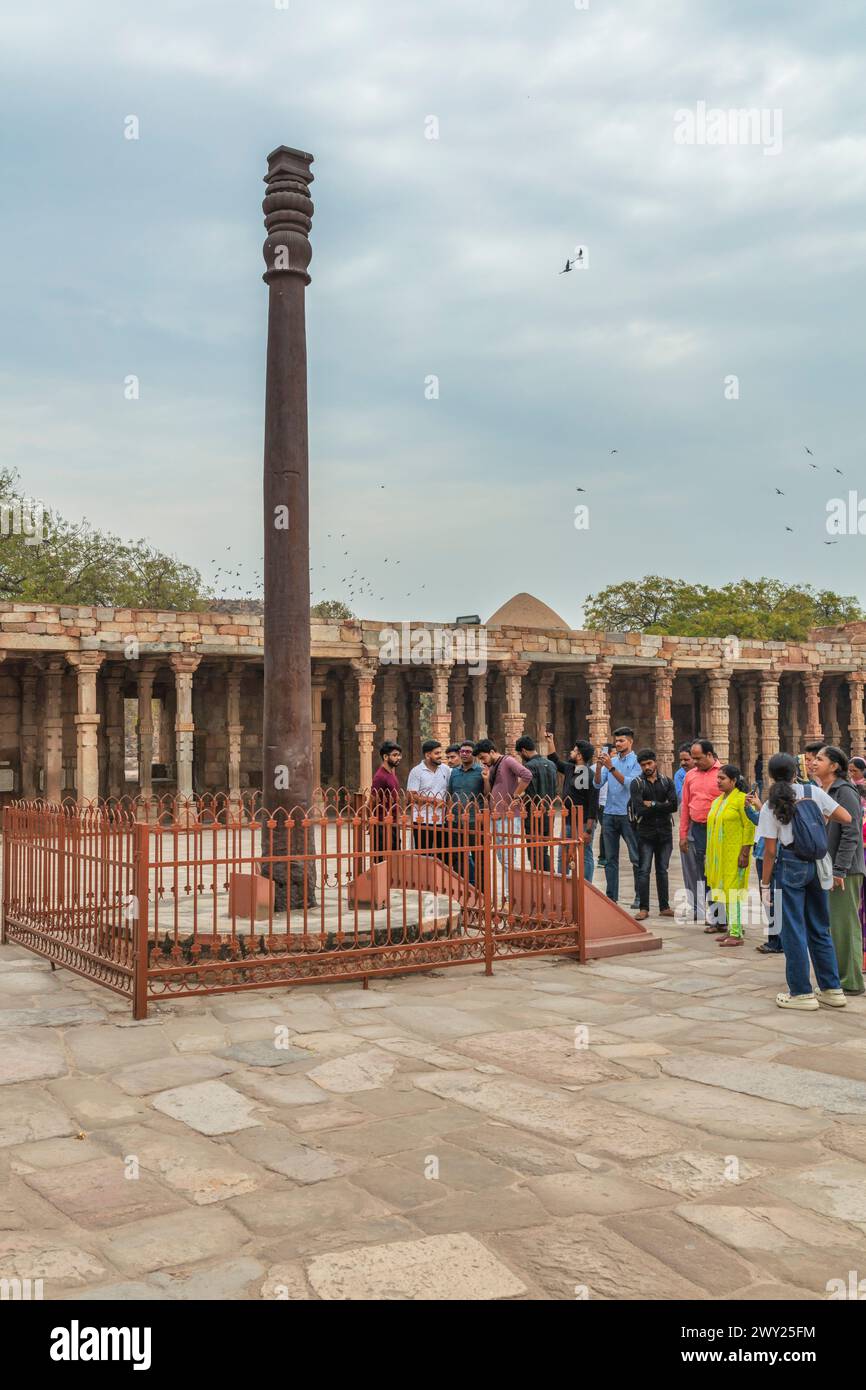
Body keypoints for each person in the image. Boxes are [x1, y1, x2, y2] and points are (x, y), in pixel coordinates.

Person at [757, 752, 851, 1010]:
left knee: (793, 930)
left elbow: (770, 852)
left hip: (790, 865)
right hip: (816, 864)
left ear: (771, 775)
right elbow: (846, 817)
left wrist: (765, 884)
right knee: (820, 927)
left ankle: (801, 992)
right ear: (796, 771)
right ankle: (832, 989)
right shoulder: (813, 792)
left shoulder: (771, 805)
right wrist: (818, 823)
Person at [813, 745, 865, 996]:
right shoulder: (826, 790)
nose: (814, 763)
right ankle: (837, 977)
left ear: (834, 766)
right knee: (833, 925)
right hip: (829, 867)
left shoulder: (844, 791)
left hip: (845, 869)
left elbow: (852, 832)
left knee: (844, 926)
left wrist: (839, 870)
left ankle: (851, 981)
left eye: (820, 760)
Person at [474, 738, 532, 900]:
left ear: (492, 751)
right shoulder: (493, 766)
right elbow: (488, 793)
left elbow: (526, 775)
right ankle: (510, 892)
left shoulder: (508, 761)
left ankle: (510, 894)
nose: (482, 761)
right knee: (502, 857)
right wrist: (486, 779)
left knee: (508, 858)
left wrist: (516, 795)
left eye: (483, 757)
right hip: (497, 815)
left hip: (509, 816)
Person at [705, 764, 755, 946]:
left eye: (722, 778)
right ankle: (732, 928)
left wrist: (745, 851)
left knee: (734, 892)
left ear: (733, 781)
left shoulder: (742, 800)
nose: (718, 781)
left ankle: (736, 934)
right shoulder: (718, 801)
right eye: (717, 778)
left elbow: (750, 825)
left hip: (735, 854)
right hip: (719, 855)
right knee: (724, 890)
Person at [594, 727, 641, 906]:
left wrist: (611, 767)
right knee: (610, 858)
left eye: (621, 741)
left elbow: (630, 784)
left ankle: (639, 896)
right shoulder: (610, 761)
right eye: (616, 741)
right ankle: (611, 895)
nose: (618, 743)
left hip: (627, 815)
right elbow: (598, 784)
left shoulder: (636, 762)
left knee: (635, 857)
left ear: (630, 742)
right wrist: (599, 767)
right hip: (609, 813)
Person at [629, 748, 677, 920]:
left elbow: (673, 806)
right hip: (645, 834)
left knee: (662, 870)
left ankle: (664, 906)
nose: (647, 767)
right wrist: (660, 806)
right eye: (643, 765)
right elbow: (640, 809)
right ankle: (644, 908)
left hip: (664, 833)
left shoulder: (666, 782)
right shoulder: (637, 783)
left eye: (649, 763)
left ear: (655, 762)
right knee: (644, 871)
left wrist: (654, 804)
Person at [546, 733, 598, 880]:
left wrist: (588, 829)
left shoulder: (590, 776)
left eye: (574, 751)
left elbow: (593, 805)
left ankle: (586, 886)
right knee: (562, 853)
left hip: (582, 822)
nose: (571, 752)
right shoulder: (570, 769)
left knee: (585, 854)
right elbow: (554, 760)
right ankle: (562, 883)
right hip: (567, 820)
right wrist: (550, 741)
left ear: (580, 755)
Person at [680, 739, 722, 922]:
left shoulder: (724, 774)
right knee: (705, 874)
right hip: (698, 830)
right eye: (693, 758)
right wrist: (683, 835)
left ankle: (724, 917)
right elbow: (685, 807)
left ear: (710, 755)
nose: (694, 762)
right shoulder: (690, 775)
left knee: (720, 873)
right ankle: (714, 917)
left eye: (698, 758)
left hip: (720, 830)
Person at [516, 735, 558, 871]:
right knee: (544, 851)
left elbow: (524, 792)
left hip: (533, 815)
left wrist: (516, 796)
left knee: (534, 852)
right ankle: (548, 879)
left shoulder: (528, 767)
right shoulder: (551, 765)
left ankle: (541, 881)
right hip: (549, 813)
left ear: (523, 751)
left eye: (520, 754)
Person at [448, 740, 485, 885]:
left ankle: (481, 890)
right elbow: (451, 794)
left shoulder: (480, 772)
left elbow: (486, 794)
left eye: (468, 752)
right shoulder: (454, 773)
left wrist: (487, 780)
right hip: (457, 821)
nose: (464, 754)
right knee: (458, 857)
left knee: (479, 857)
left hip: (474, 821)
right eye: (462, 751)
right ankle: (463, 888)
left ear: (474, 754)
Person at [406, 739, 451, 857]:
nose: (440, 756)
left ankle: (439, 876)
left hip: (441, 820)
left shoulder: (445, 769)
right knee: (423, 856)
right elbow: (411, 796)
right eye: (436, 753)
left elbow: (450, 792)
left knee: (442, 856)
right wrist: (433, 801)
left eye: (440, 753)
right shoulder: (416, 771)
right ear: (427, 755)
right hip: (422, 820)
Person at [369, 740, 402, 860]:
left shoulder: (390, 773)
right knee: (383, 858)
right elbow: (372, 799)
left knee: (394, 856)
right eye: (395, 755)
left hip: (392, 821)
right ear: (385, 757)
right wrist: (370, 819)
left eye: (399, 755)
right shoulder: (380, 776)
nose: (398, 758)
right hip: (382, 823)